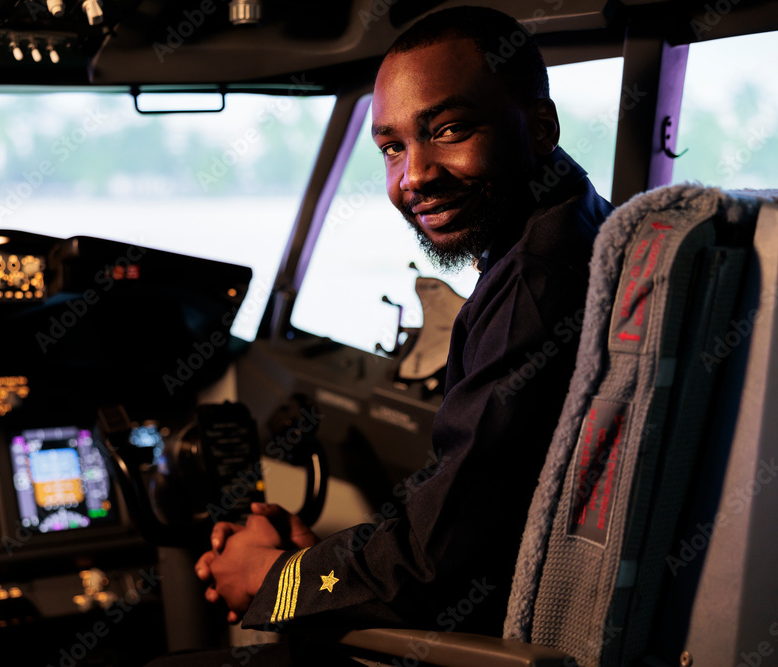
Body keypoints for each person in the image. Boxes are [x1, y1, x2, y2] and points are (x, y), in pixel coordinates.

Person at [153, 5, 613, 664]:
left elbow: (431, 567)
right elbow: (463, 514)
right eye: (393, 147)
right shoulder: (576, 227)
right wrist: (312, 562)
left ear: (541, 127)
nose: (414, 176)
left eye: (449, 129)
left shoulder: (535, 290)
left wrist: (275, 581)